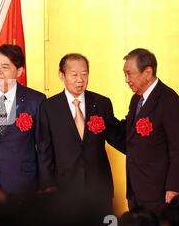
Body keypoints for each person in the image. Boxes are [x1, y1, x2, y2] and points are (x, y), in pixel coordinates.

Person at [38, 53, 125, 213]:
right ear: (61, 75)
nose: (80, 80)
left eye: (84, 74)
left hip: (99, 187)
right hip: (64, 188)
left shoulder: (101, 103)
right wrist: (48, 186)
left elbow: (117, 137)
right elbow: (45, 151)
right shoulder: (49, 108)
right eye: (74, 75)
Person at [123, 48, 179, 215]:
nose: (126, 80)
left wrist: (174, 187)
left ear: (148, 72)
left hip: (159, 192)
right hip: (136, 190)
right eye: (125, 74)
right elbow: (131, 137)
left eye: (130, 74)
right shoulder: (136, 98)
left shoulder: (168, 100)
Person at [0, 44, 45, 195]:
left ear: (20, 71)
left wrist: (46, 184)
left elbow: (43, 147)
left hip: (22, 181)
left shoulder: (35, 100)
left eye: (5, 67)